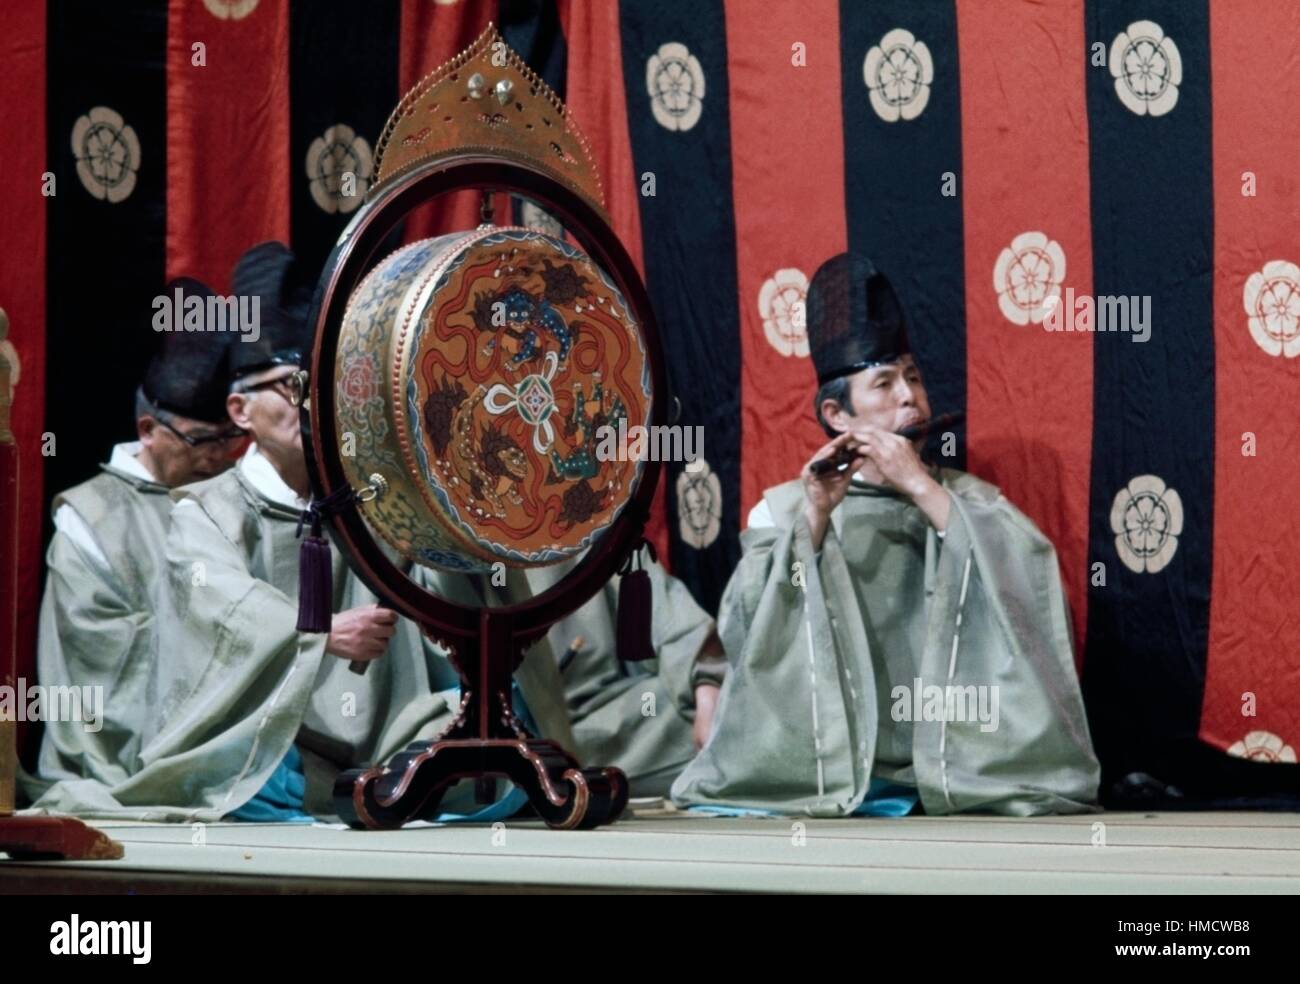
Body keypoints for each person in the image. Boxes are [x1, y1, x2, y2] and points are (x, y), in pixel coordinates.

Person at [671, 253, 1100, 817]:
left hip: (955, 765)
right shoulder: (782, 510)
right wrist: (816, 521)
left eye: (913, 379)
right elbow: (747, 634)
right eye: (885, 384)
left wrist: (924, 492)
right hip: (832, 763)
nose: (909, 398)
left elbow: (1031, 604)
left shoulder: (971, 503)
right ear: (838, 415)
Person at [23, 280, 243, 804]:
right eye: (201, 440)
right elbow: (101, 655)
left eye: (230, 440)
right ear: (148, 429)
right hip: (119, 762)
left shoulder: (236, 496)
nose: (218, 457)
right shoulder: (90, 515)